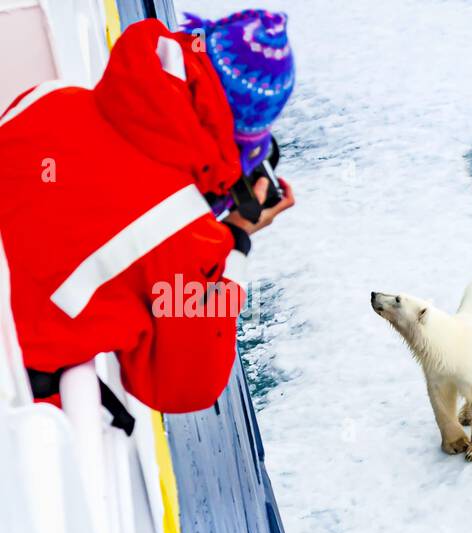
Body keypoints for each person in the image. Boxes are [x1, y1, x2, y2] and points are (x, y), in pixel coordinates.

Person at [0, 10, 296, 419]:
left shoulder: (50, 97)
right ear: (244, 134)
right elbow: (185, 389)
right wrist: (237, 241)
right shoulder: (185, 238)